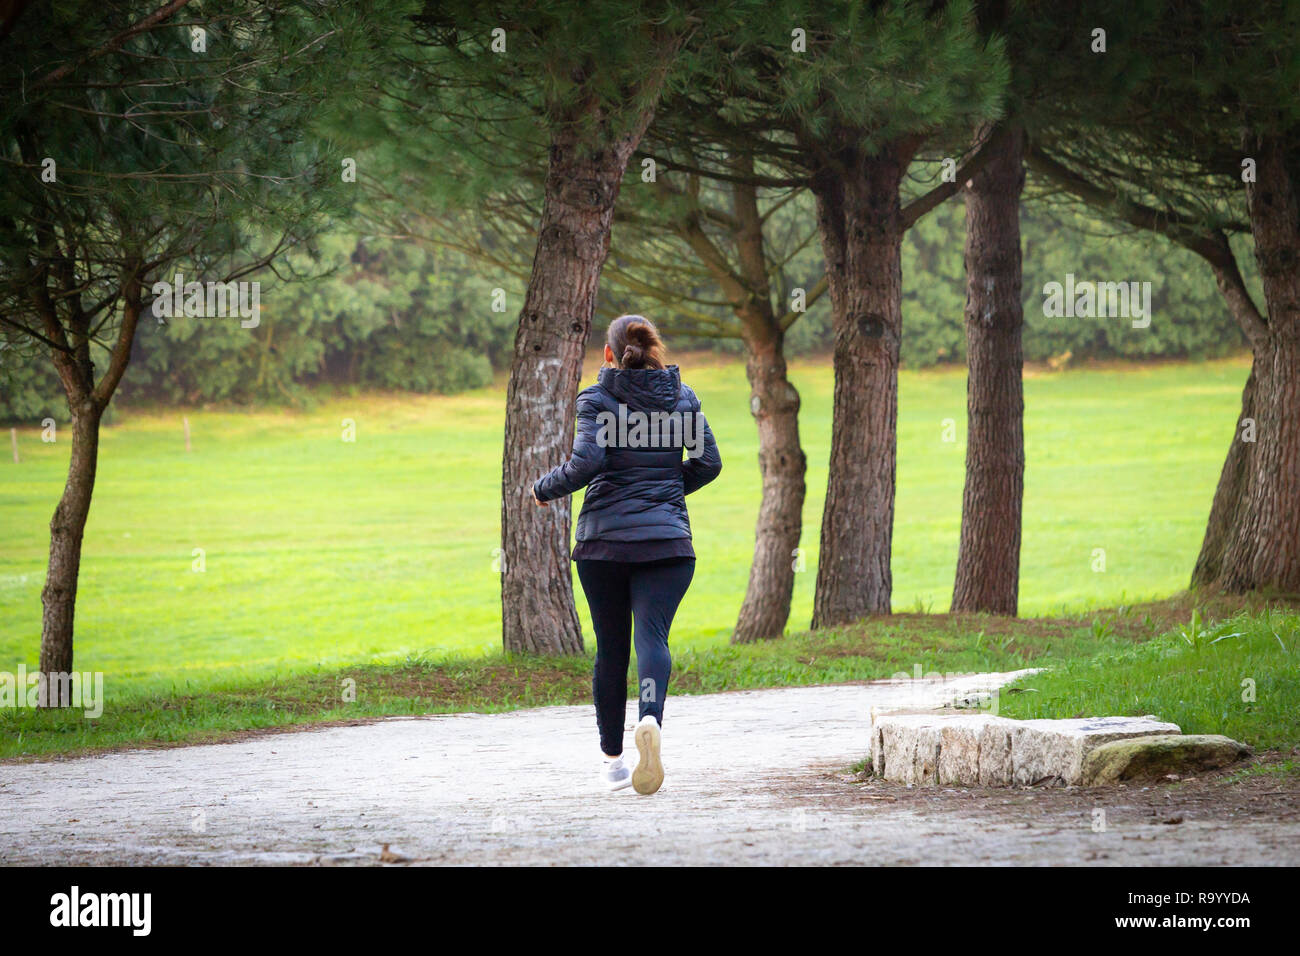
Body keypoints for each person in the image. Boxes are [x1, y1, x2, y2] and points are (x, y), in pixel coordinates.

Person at [532, 315, 721, 794]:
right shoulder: (683, 398)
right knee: (652, 638)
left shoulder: (597, 398)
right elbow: (708, 463)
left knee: (612, 649)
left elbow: (586, 462)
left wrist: (543, 488)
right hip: (668, 546)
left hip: (605, 545)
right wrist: (665, 493)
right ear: (655, 348)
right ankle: (650, 720)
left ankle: (614, 763)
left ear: (608, 355)